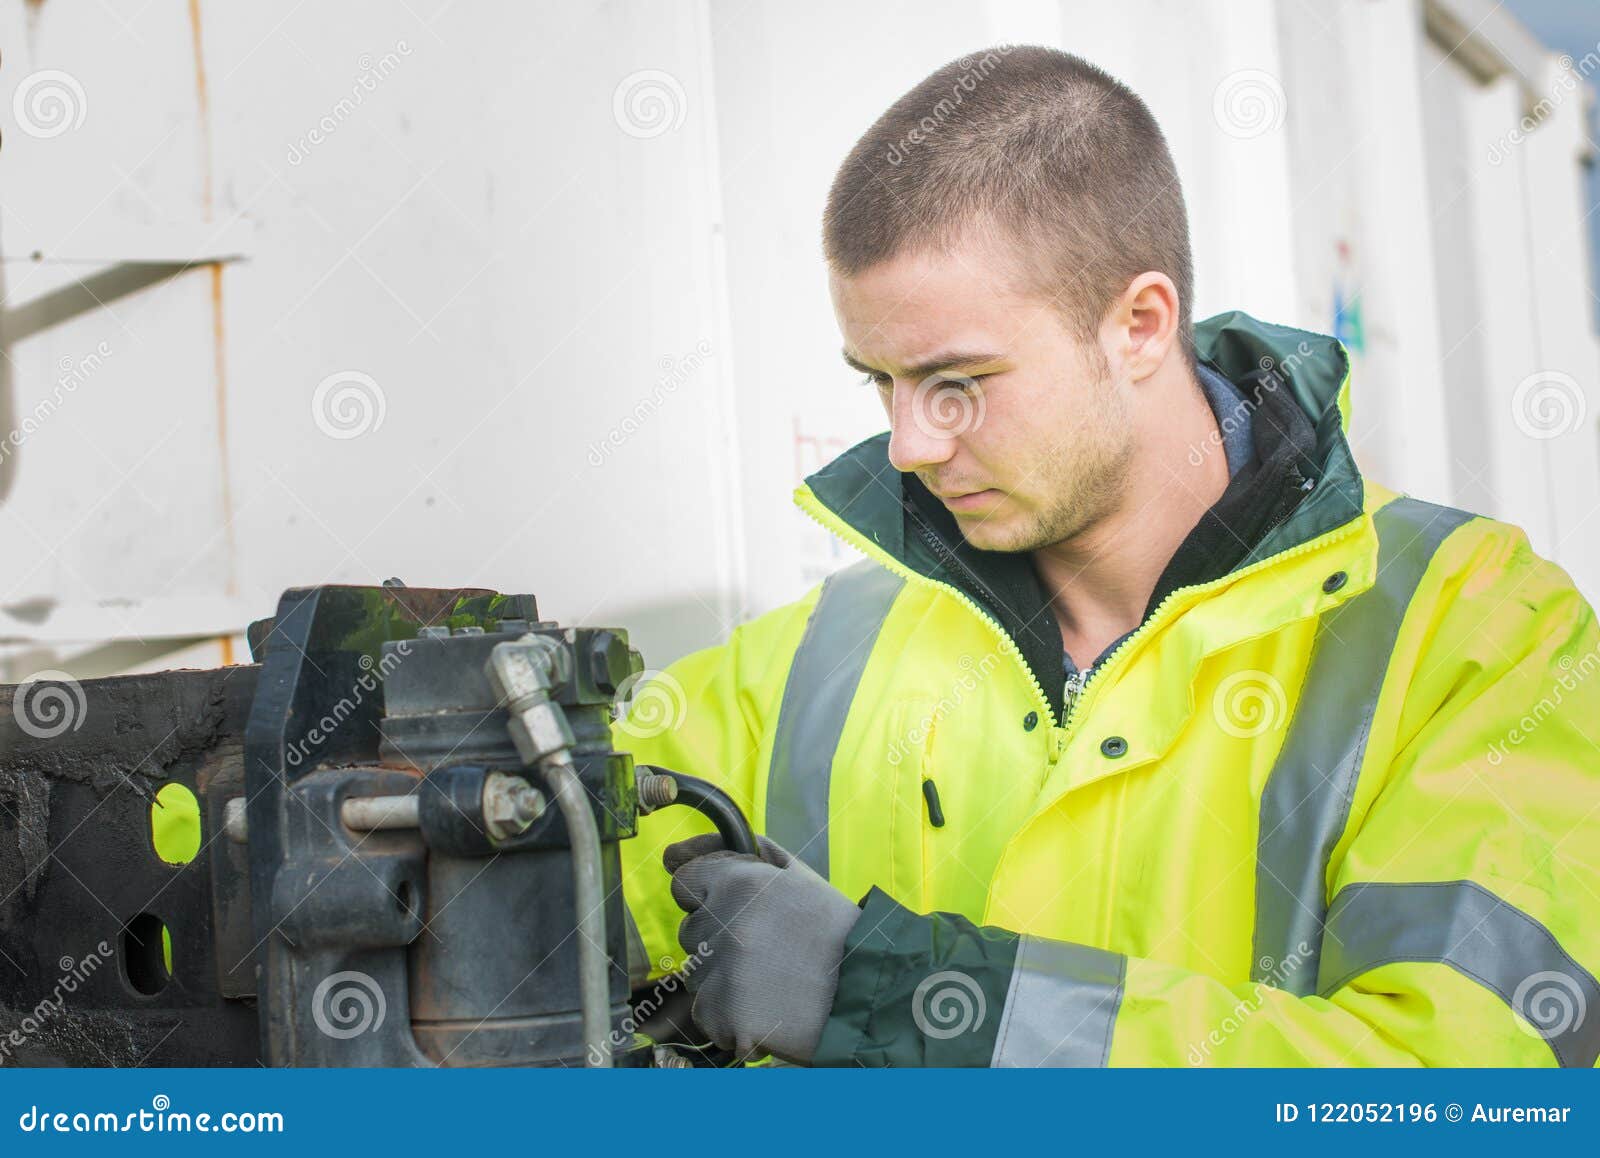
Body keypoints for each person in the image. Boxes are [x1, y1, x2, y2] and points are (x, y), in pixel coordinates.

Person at [615, 45, 1600, 1067]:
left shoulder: (1482, 633)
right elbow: (546, 880)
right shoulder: (813, 662)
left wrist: (895, 999)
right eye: (879, 381)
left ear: (1138, 324)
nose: (908, 445)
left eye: (957, 380)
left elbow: (1478, 1090)